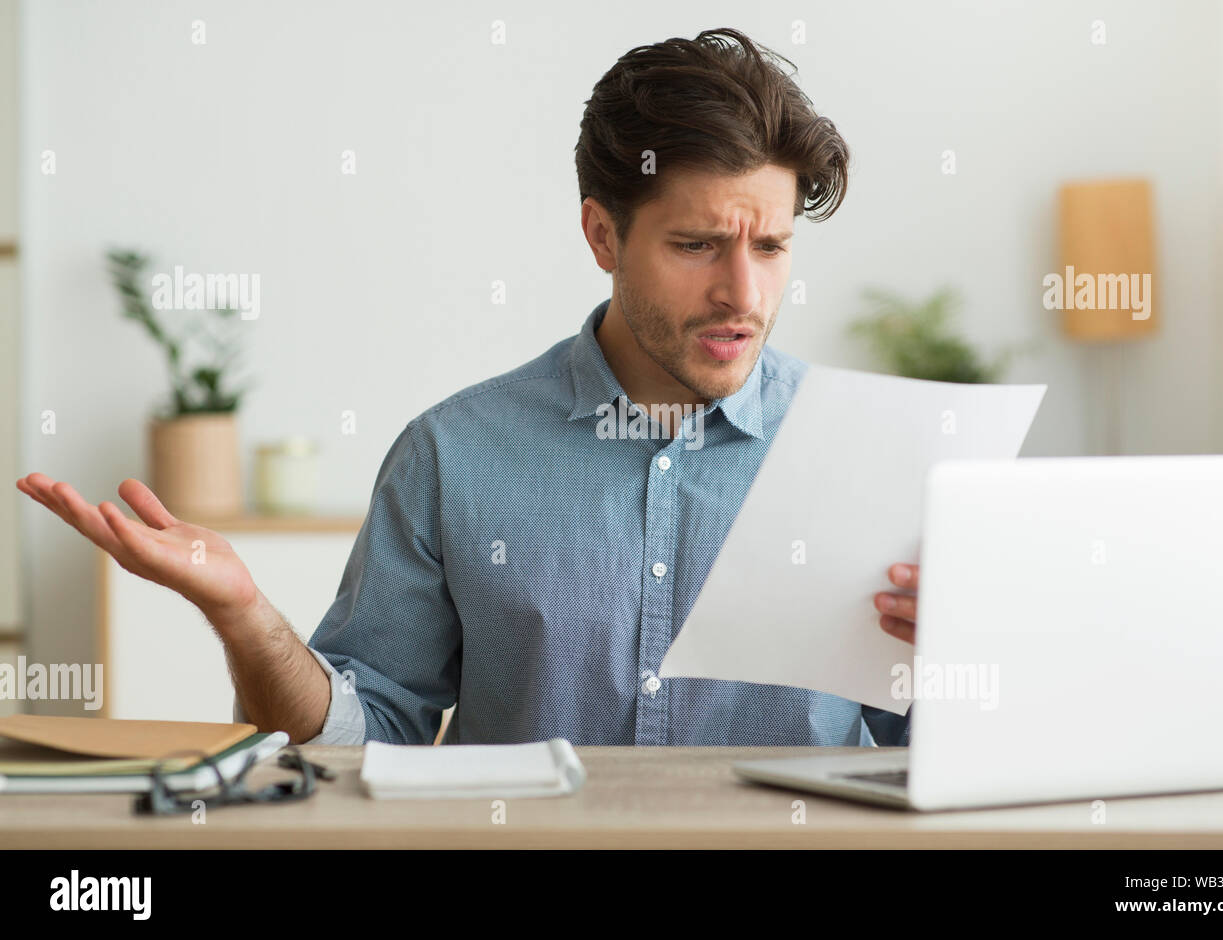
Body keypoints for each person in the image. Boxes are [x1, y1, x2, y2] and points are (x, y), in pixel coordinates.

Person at [15, 27, 919, 747]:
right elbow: (360, 741)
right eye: (697, 245)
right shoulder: (455, 455)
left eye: (770, 247)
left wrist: (965, 665)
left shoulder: (862, 452)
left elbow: (937, 757)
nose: (744, 295)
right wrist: (246, 618)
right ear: (602, 236)